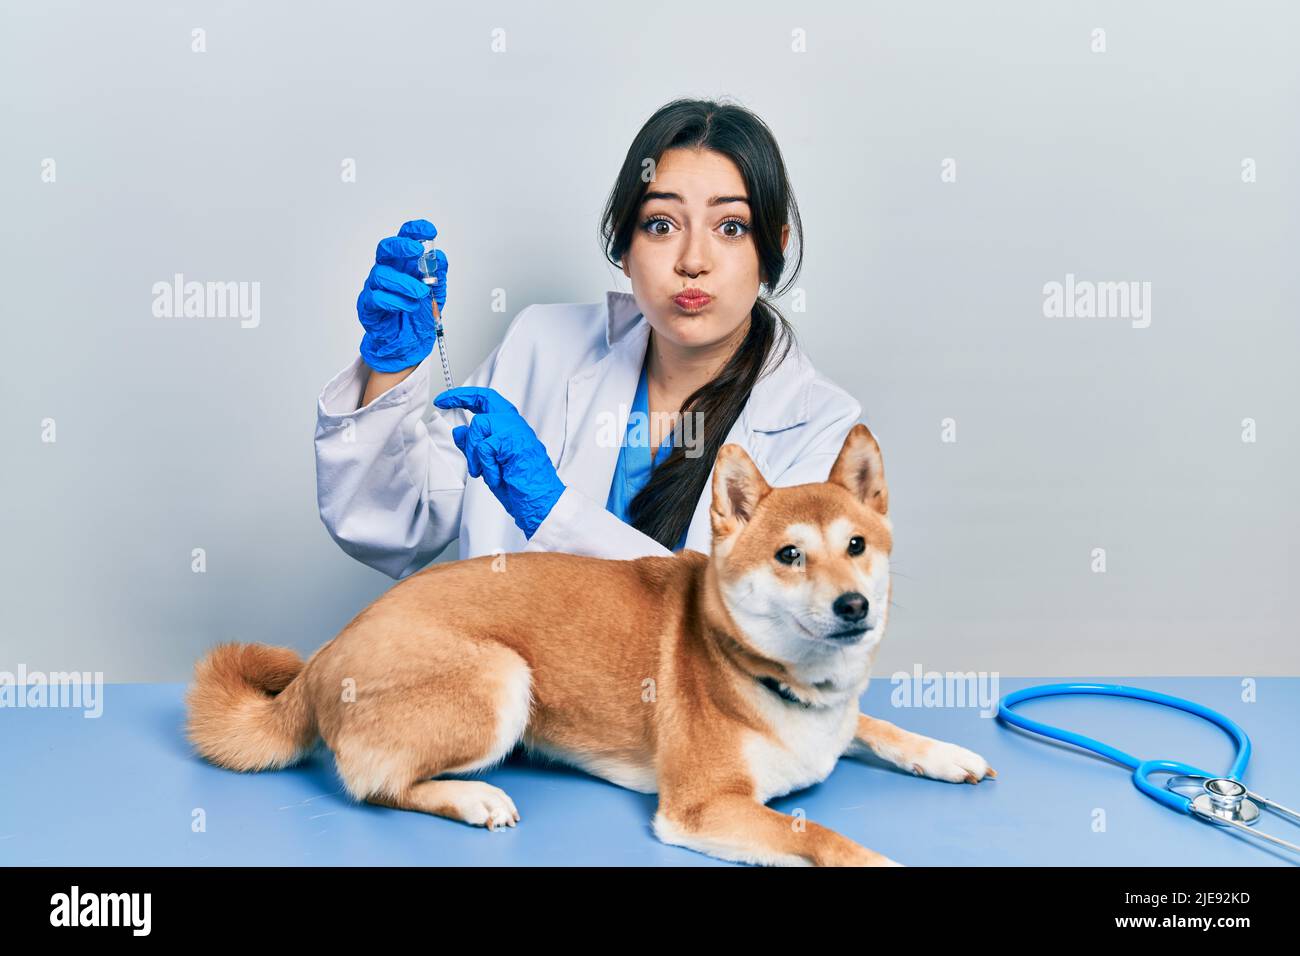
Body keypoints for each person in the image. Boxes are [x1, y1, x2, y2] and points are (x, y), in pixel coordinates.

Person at [313, 97, 867, 580]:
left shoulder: (819, 427)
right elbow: (394, 525)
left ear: (773, 249)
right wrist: (390, 367)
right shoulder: (542, 345)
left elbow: (753, 632)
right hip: (510, 695)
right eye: (661, 224)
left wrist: (553, 511)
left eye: (730, 227)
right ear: (623, 248)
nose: (693, 261)